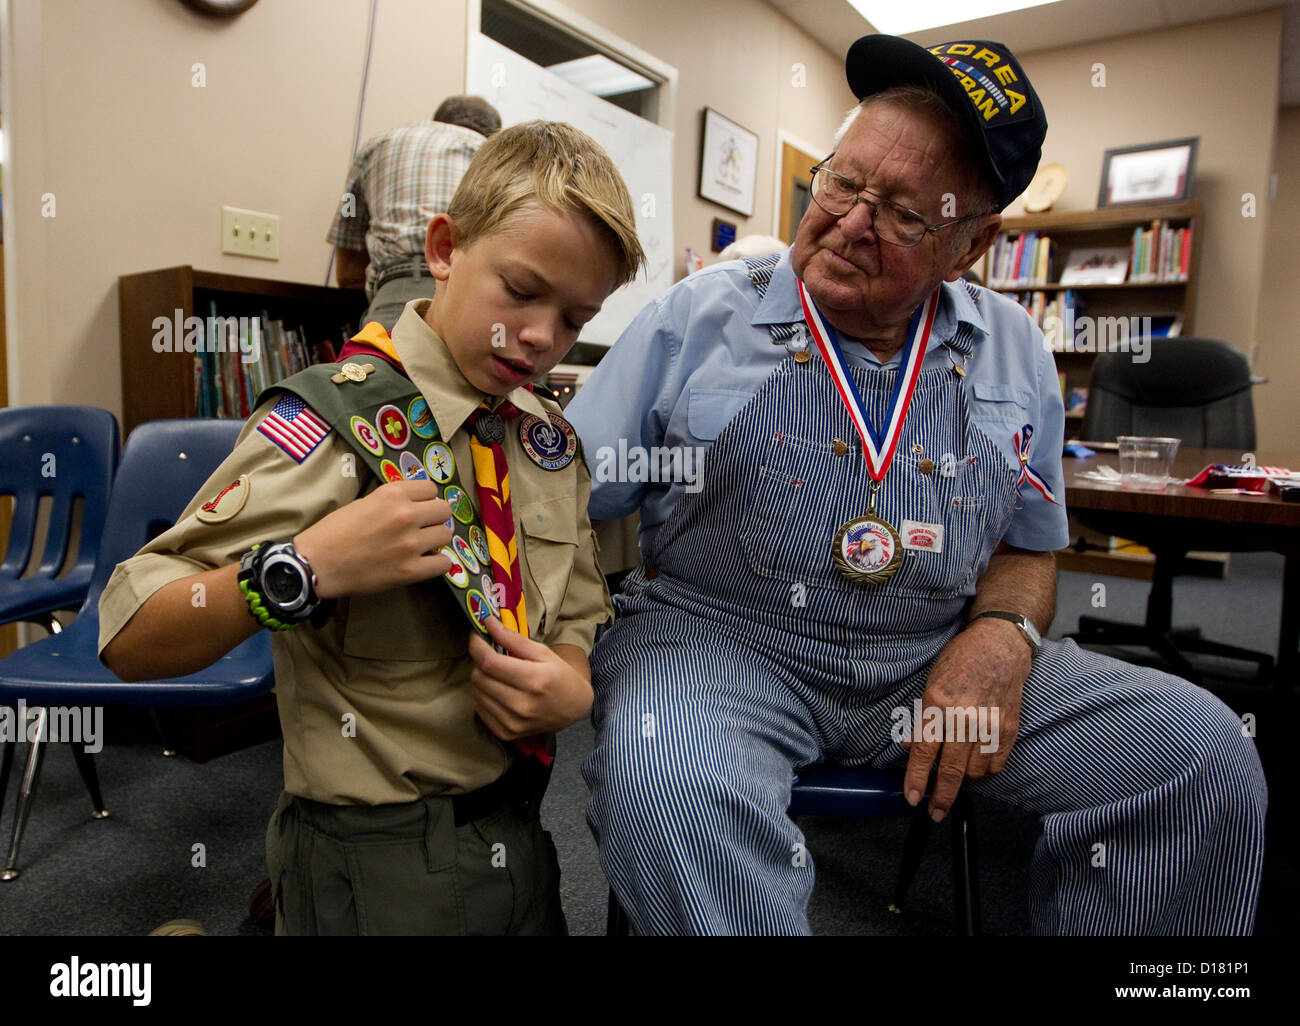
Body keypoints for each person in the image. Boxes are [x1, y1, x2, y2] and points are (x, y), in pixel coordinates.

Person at [565, 34, 1267, 935]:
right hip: (719, 649)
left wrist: (1004, 634)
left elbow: (1027, 546)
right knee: (668, 776)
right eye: (842, 184)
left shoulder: (1014, 351)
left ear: (972, 245)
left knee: (1201, 754)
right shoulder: (700, 318)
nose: (851, 223)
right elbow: (560, 496)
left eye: (903, 213)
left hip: (928, 670)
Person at [100, 120, 645, 935]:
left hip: (521, 835)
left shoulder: (545, 437)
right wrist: (300, 569)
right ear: (443, 247)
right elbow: (132, 639)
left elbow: (576, 606)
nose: (540, 339)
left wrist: (570, 678)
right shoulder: (335, 423)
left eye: (574, 318)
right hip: (372, 856)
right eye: (522, 291)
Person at [327, 95, 502, 331]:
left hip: (395, 293)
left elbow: (348, 270)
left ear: (438, 121)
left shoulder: (378, 145)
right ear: (493, 133)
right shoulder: (496, 157)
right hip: (476, 299)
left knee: (377, 366)